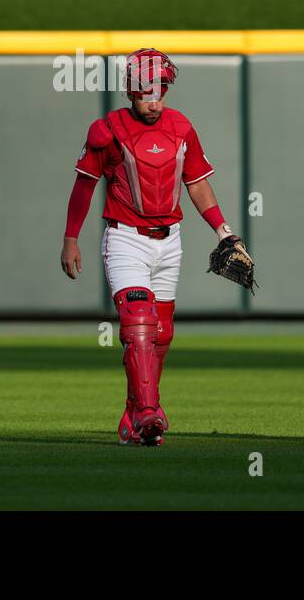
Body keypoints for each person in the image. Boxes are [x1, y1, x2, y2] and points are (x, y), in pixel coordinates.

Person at [60, 49, 243, 446]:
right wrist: (71, 238)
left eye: (160, 89)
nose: (154, 99)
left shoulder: (181, 127)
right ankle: (149, 413)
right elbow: (84, 185)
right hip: (125, 237)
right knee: (138, 324)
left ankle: (132, 417)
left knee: (160, 333)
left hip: (170, 241)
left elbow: (197, 183)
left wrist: (223, 232)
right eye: (146, 91)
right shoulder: (107, 130)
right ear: (130, 90)